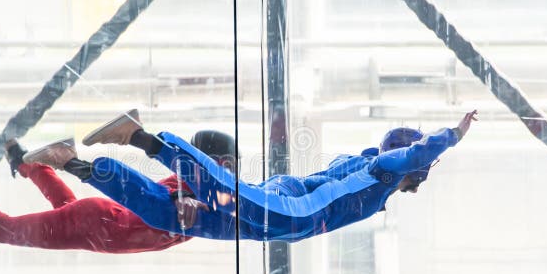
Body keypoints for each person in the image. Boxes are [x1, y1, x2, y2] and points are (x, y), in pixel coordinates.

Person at [36, 109, 478, 243]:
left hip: (285, 205)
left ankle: (72, 163)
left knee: (175, 219)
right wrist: (452, 136)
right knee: (221, 187)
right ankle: (140, 137)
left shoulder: (367, 166)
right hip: (291, 215)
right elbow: (414, 153)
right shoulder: (382, 173)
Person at [0, 131, 237, 253]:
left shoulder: (213, 193)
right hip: (102, 225)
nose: (233, 172)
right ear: (213, 161)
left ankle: (29, 163)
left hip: (104, 229)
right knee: (3, 231)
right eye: (229, 163)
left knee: (65, 205)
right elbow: (179, 198)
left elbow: (216, 203)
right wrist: (183, 200)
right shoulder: (198, 189)